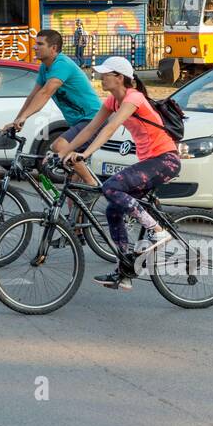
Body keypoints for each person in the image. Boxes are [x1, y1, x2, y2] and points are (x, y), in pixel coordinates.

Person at [61, 57, 175, 291]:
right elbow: (92, 128)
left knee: (110, 187)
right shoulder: (112, 100)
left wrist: (85, 154)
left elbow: (110, 128)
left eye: (105, 74)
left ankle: (158, 231)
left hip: (165, 160)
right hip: (150, 161)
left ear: (119, 78)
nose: (101, 77)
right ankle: (125, 270)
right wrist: (66, 151)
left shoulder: (134, 98)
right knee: (113, 208)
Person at [4, 29, 102, 167]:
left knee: (59, 146)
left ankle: (90, 182)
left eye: (40, 44)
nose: (34, 47)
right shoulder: (45, 67)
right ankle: (85, 186)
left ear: (53, 48)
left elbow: (45, 92)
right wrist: (17, 120)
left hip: (92, 119)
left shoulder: (62, 64)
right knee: (74, 174)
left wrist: (24, 117)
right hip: (78, 121)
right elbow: (33, 96)